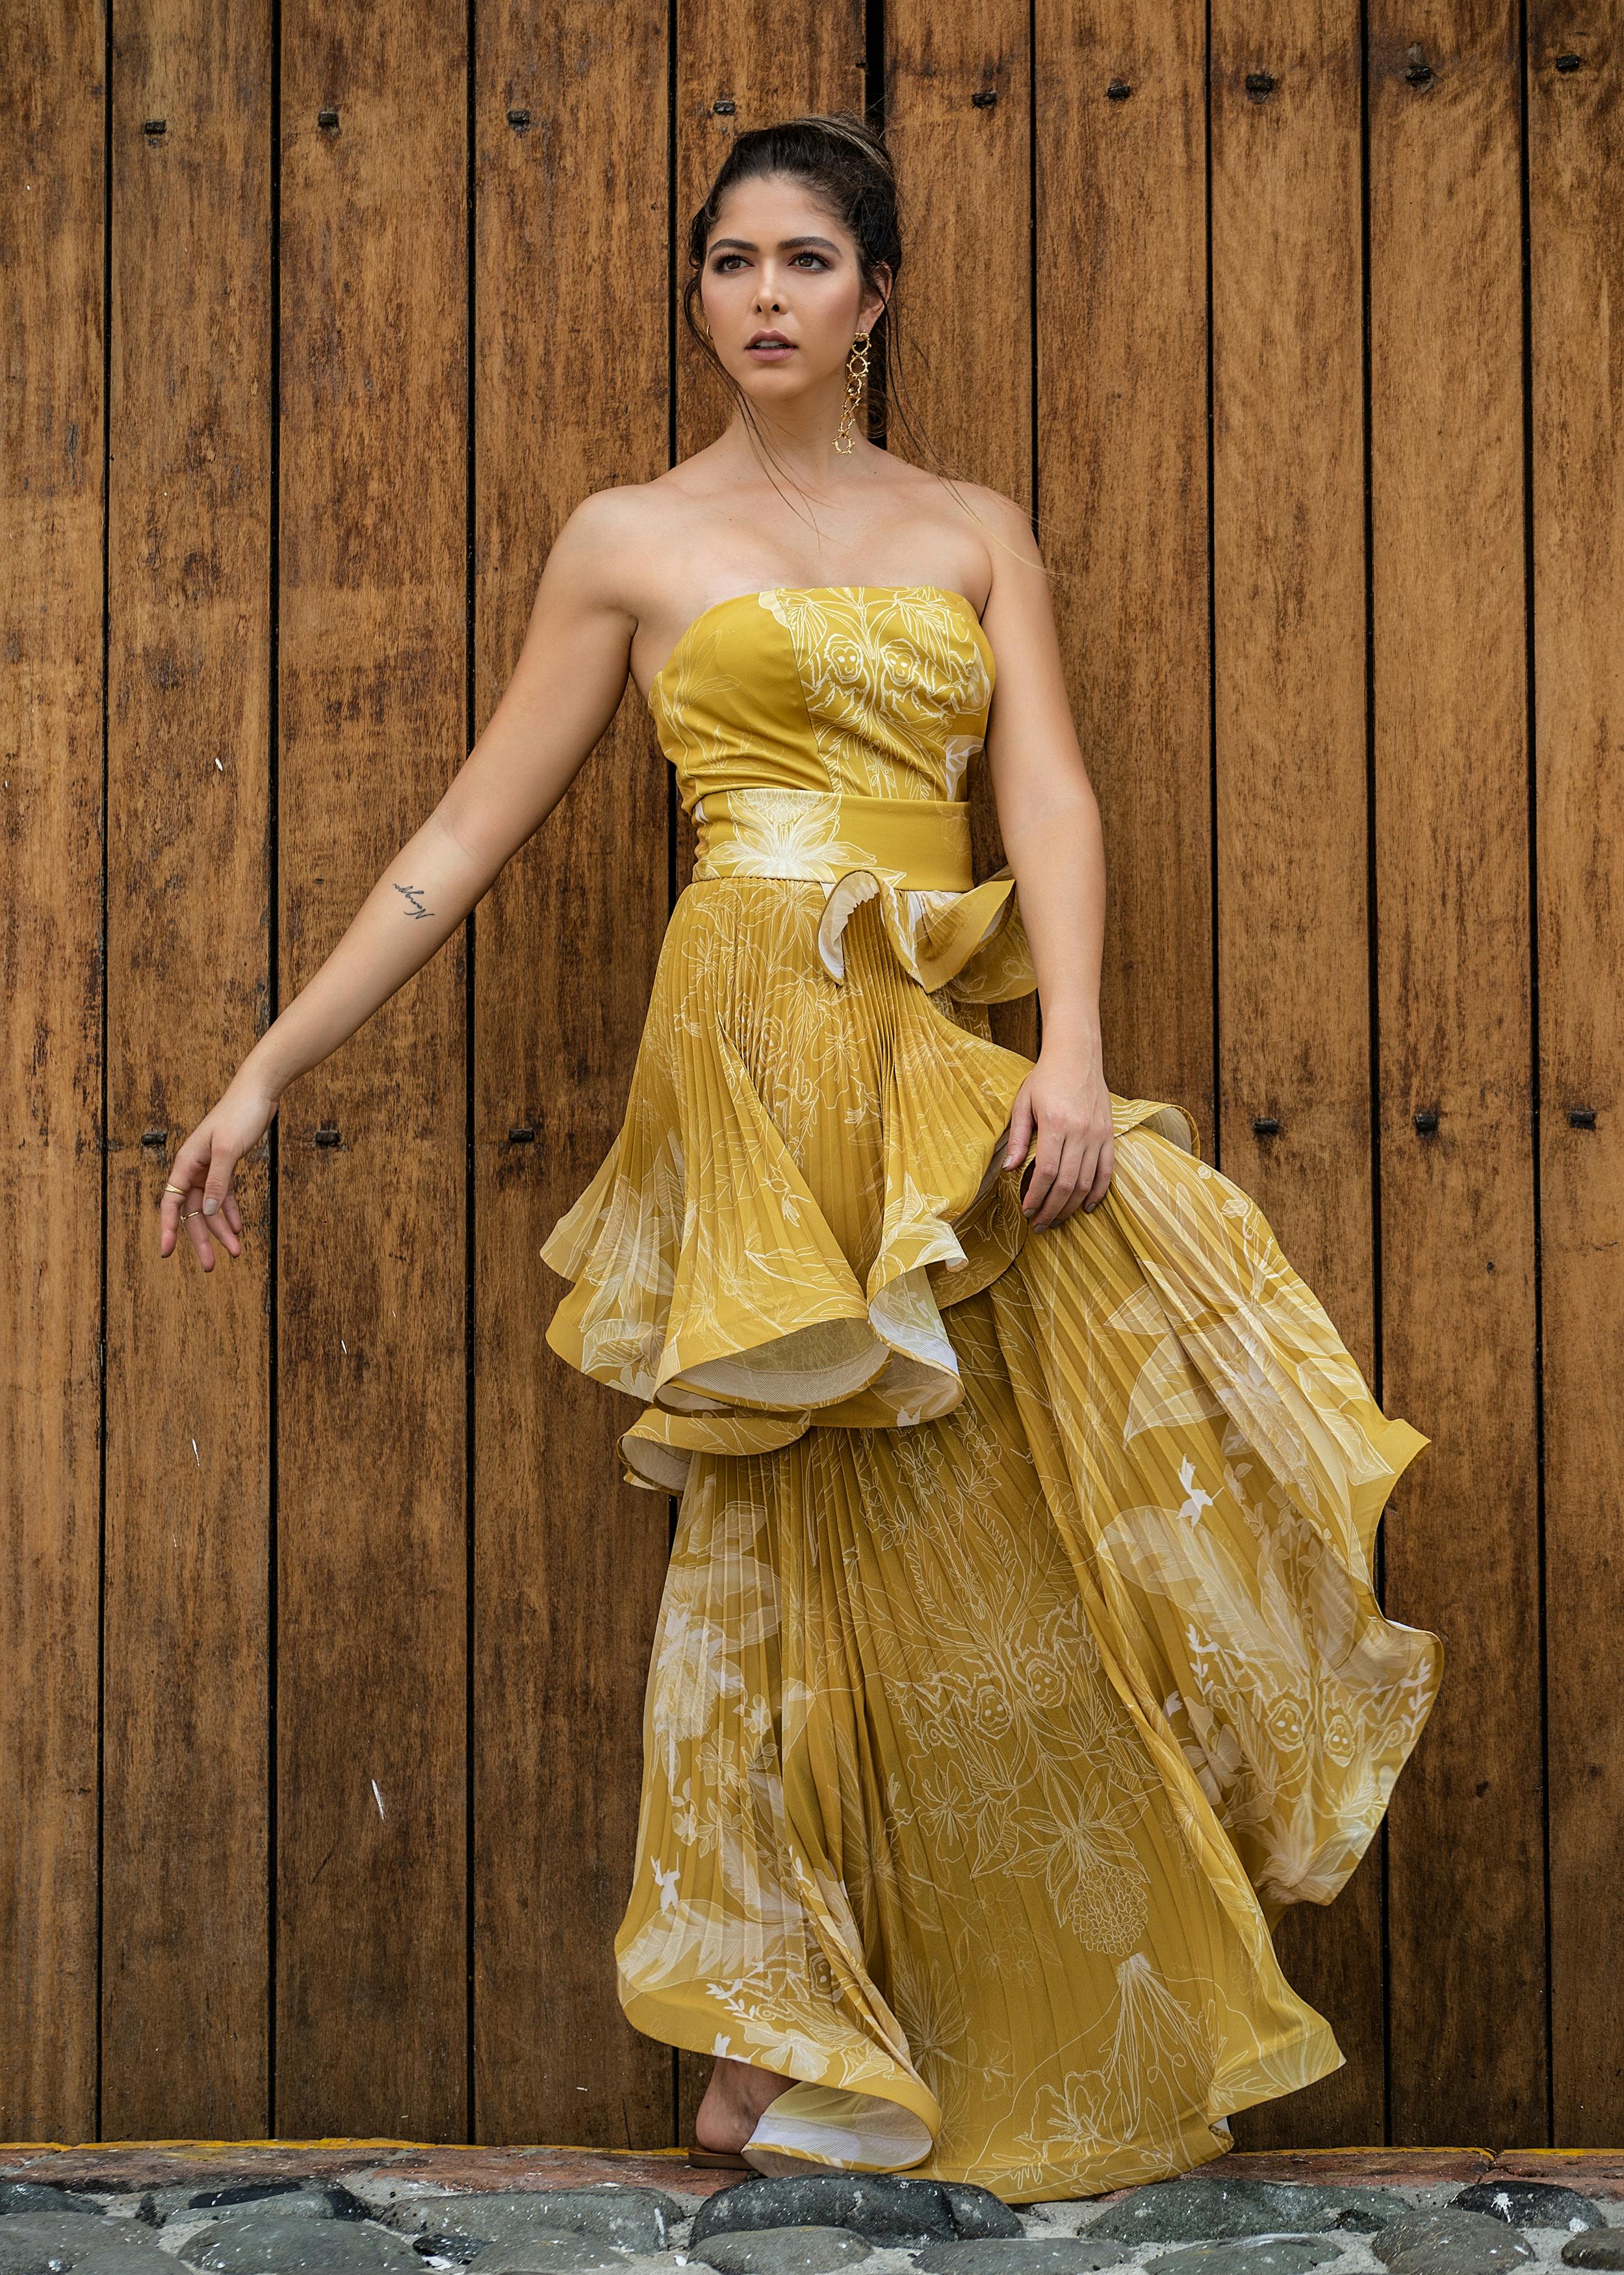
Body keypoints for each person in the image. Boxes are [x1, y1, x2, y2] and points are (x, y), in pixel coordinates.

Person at [161, 112, 1444, 2207]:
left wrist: (1071, 1050)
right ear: (701, 291)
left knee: (1001, 1527)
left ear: (874, 296)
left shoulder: (970, 528)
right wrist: (263, 1069)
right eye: (731, 260)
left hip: (927, 1043)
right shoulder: (628, 538)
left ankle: (832, 2040)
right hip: (753, 1042)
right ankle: (772, 2038)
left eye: (804, 261)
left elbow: (1047, 792)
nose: (762, 296)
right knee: (781, 1528)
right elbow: (460, 837)